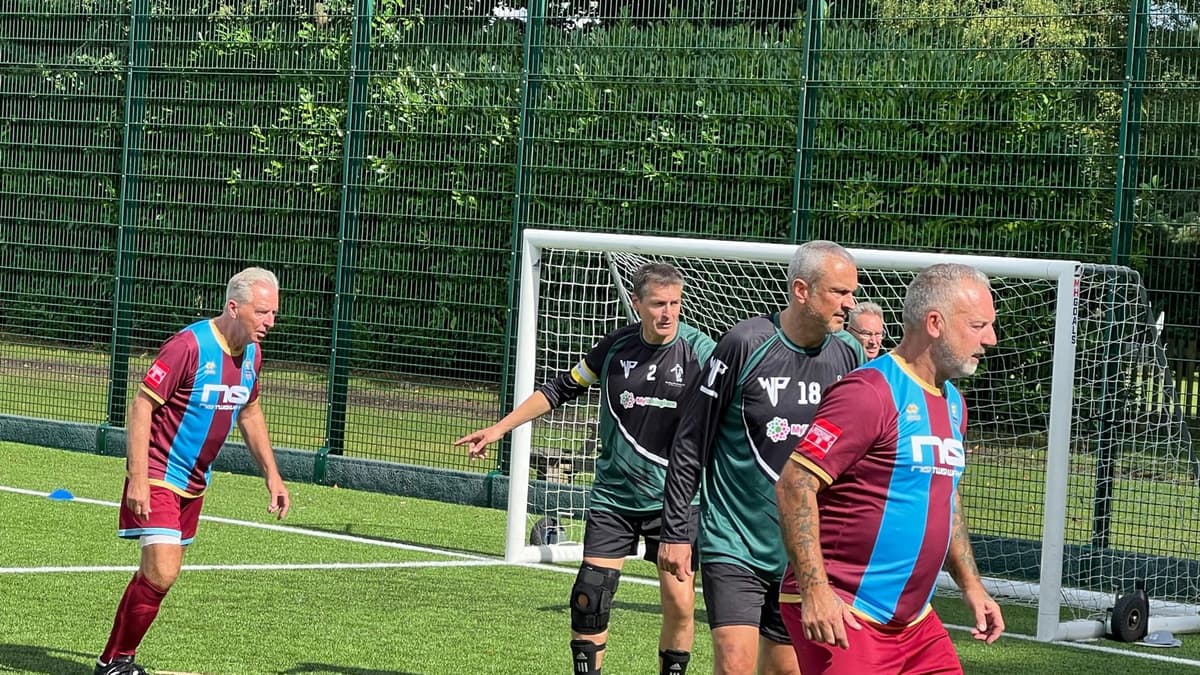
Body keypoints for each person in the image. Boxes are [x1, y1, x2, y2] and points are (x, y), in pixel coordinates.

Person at [455, 263, 716, 675]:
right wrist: (500, 428)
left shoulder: (702, 352)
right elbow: (561, 388)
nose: (668, 313)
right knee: (589, 597)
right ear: (637, 303)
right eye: (658, 304)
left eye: (674, 303)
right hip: (614, 499)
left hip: (676, 501)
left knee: (680, 605)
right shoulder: (615, 347)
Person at [775, 263, 1005, 674]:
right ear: (935, 323)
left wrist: (972, 585)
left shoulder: (954, 404)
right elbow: (795, 483)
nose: (990, 339)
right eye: (978, 325)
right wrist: (816, 592)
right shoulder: (869, 392)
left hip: (915, 623)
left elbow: (944, 498)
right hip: (846, 610)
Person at [658, 240, 865, 675]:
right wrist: (676, 530)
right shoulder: (744, 343)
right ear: (801, 291)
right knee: (734, 663)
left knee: (785, 670)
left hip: (802, 550)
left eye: (852, 293)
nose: (850, 304)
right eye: (840, 292)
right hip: (734, 540)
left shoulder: (849, 353)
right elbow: (691, 439)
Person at [94, 267, 291, 675]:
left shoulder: (252, 355)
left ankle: (111, 663)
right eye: (262, 312)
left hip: (196, 482)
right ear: (234, 308)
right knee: (162, 572)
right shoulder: (189, 346)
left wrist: (272, 475)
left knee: (155, 575)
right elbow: (142, 405)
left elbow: (250, 411)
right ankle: (120, 661)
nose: (270, 321)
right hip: (159, 472)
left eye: (273, 313)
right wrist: (137, 477)